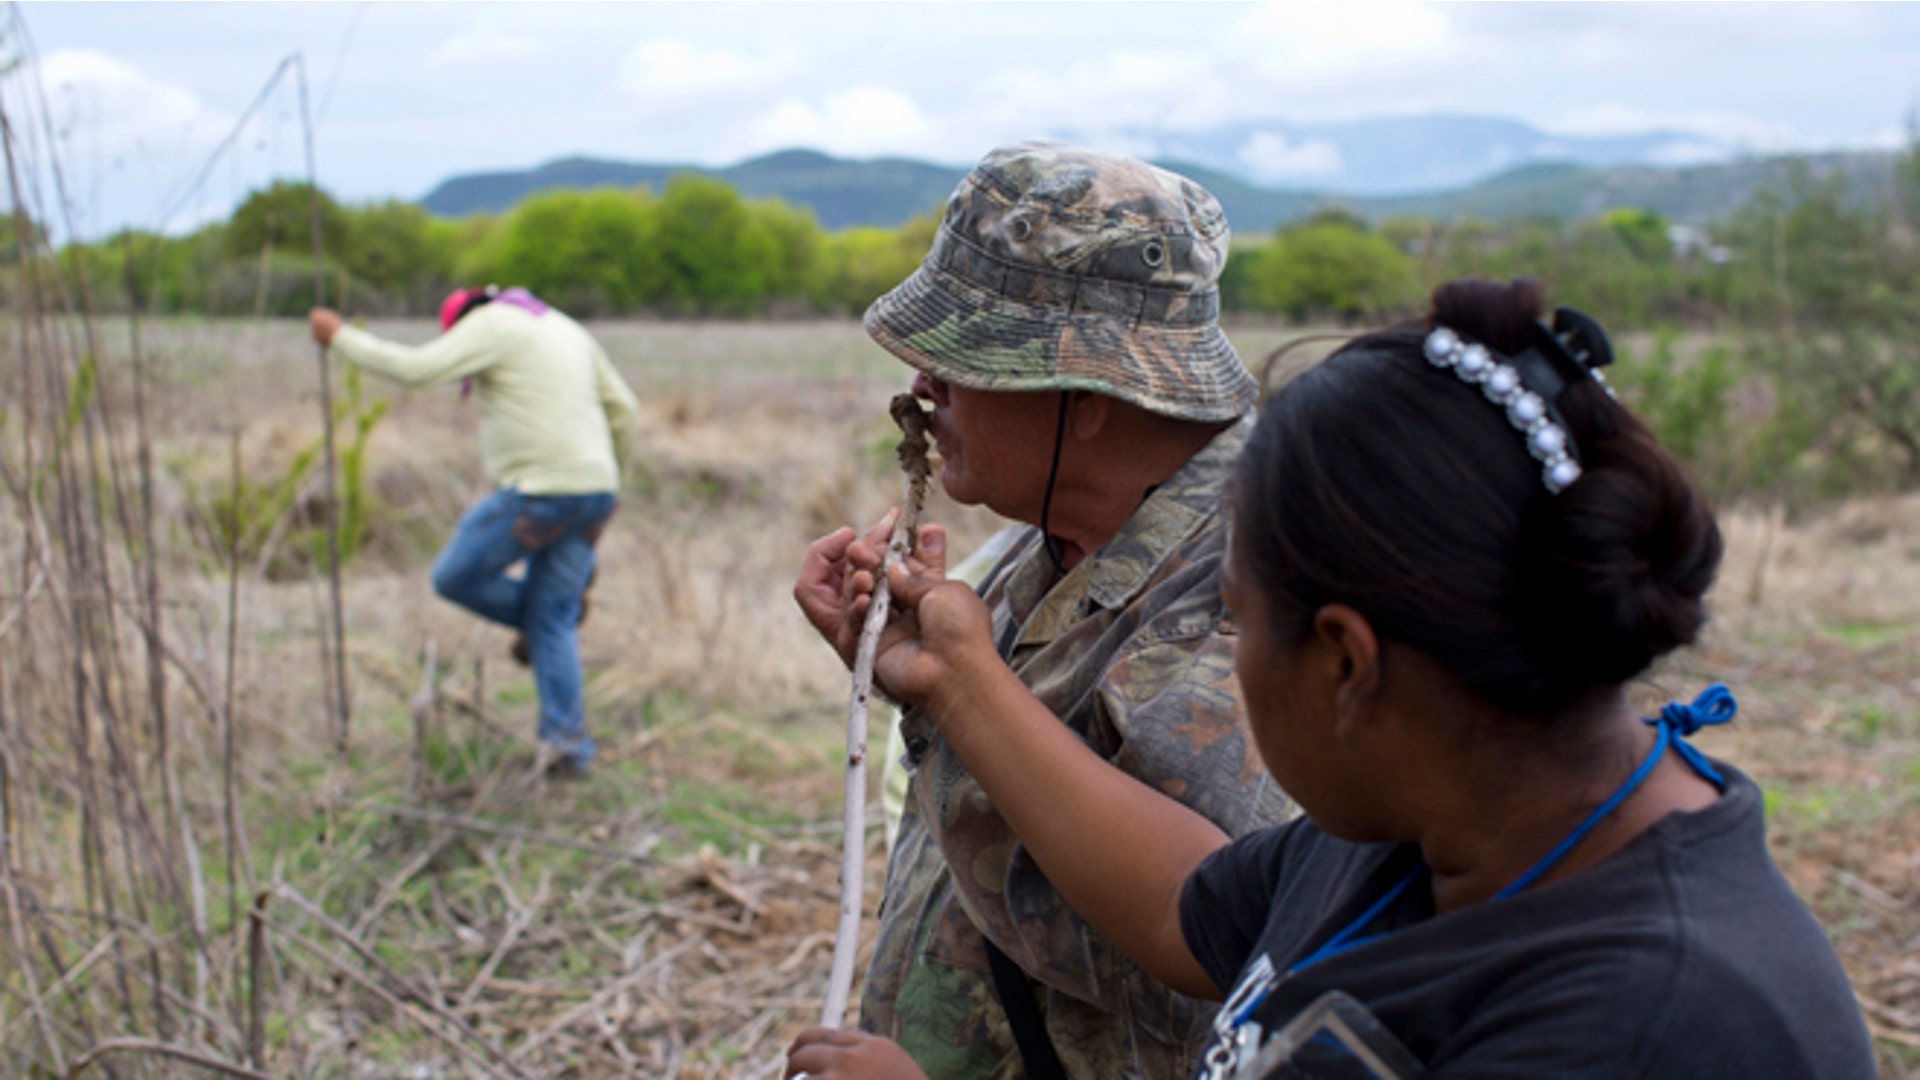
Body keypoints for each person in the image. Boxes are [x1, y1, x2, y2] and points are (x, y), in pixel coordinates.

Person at [787, 277, 1876, 1078]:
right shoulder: (1432, 840)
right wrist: (956, 682)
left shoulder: (1645, 1025)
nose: (1229, 650)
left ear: (1347, 662)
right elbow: (1182, 910)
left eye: (1241, 619)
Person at [794, 141, 1295, 1078]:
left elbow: (1207, 941)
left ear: (1088, 392)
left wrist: (960, 688)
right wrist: (925, 674)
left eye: (955, 363)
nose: (920, 393)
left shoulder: (1260, 594)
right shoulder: (1054, 531)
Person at [308, 286, 641, 778]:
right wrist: (608, 484)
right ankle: (568, 752)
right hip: (594, 490)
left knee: (453, 576)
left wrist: (339, 339)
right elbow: (626, 410)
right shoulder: (564, 325)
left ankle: (540, 627)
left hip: (539, 491)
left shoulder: (492, 323)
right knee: (554, 619)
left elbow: (415, 370)